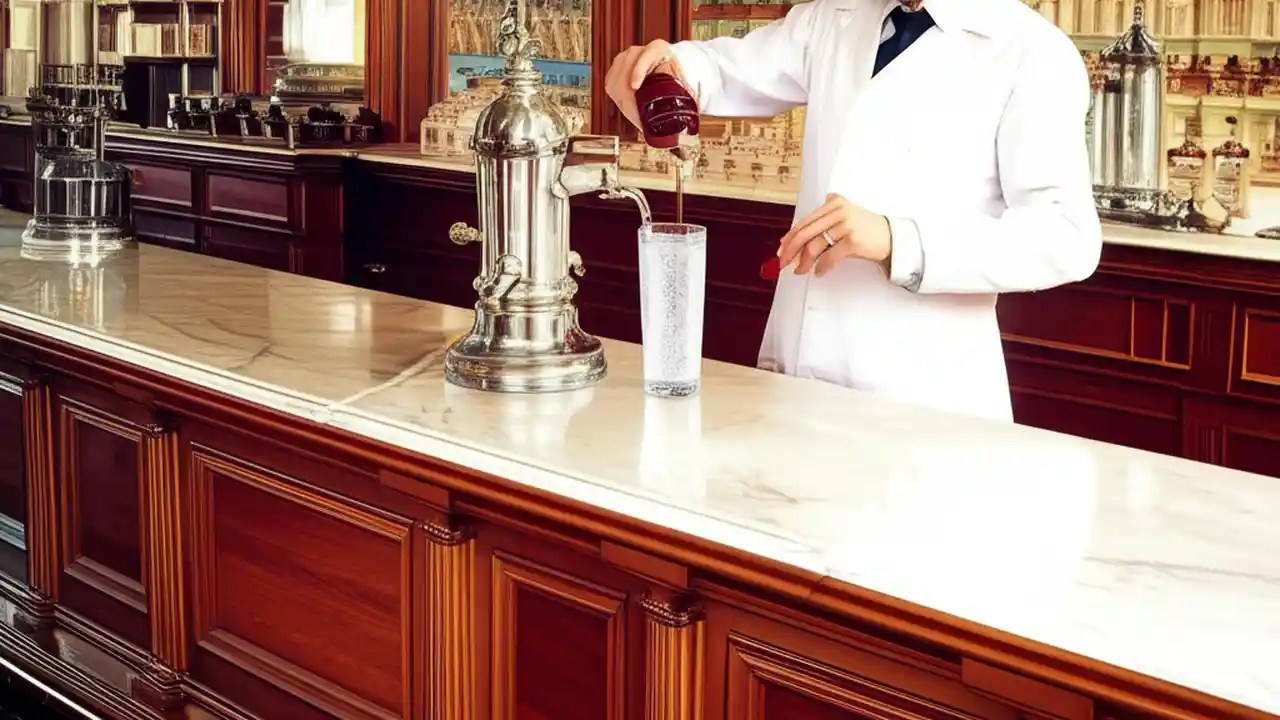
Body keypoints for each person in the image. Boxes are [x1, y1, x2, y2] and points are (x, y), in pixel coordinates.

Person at [605, 0, 1102, 422]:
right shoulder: (837, 16)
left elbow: (1065, 234)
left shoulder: (1032, 52)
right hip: (797, 384)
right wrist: (664, 67)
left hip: (922, 406)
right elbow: (721, 69)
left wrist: (896, 240)